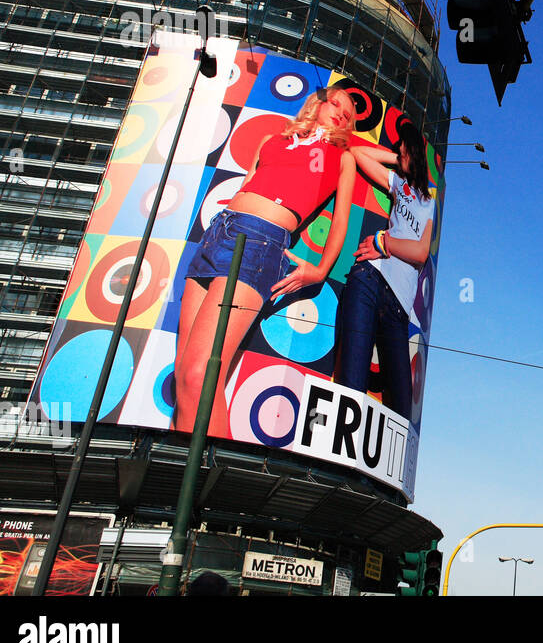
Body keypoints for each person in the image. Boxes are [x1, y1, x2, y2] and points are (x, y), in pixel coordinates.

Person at [171, 87, 358, 437]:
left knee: (201, 374)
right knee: (184, 376)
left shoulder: (342, 157)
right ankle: (177, 482)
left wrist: (319, 270)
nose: (341, 115)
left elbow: (341, 224)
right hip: (217, 233)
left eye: (348, 115)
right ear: (318, 102)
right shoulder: (272, 139)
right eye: (336, 104)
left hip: (261, 242)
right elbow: (247, 185)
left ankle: (211, 488)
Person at [335, 120, 435, 420]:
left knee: (402, 408)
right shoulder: (397, 184)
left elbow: (419, 252)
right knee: (351, 384)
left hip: (399, 307)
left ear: (414, 150)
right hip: (369, 278)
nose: (399, 150)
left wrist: (385, 240)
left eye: (403, 147)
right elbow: (356, 151)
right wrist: (397, 158)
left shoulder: (429, 199)